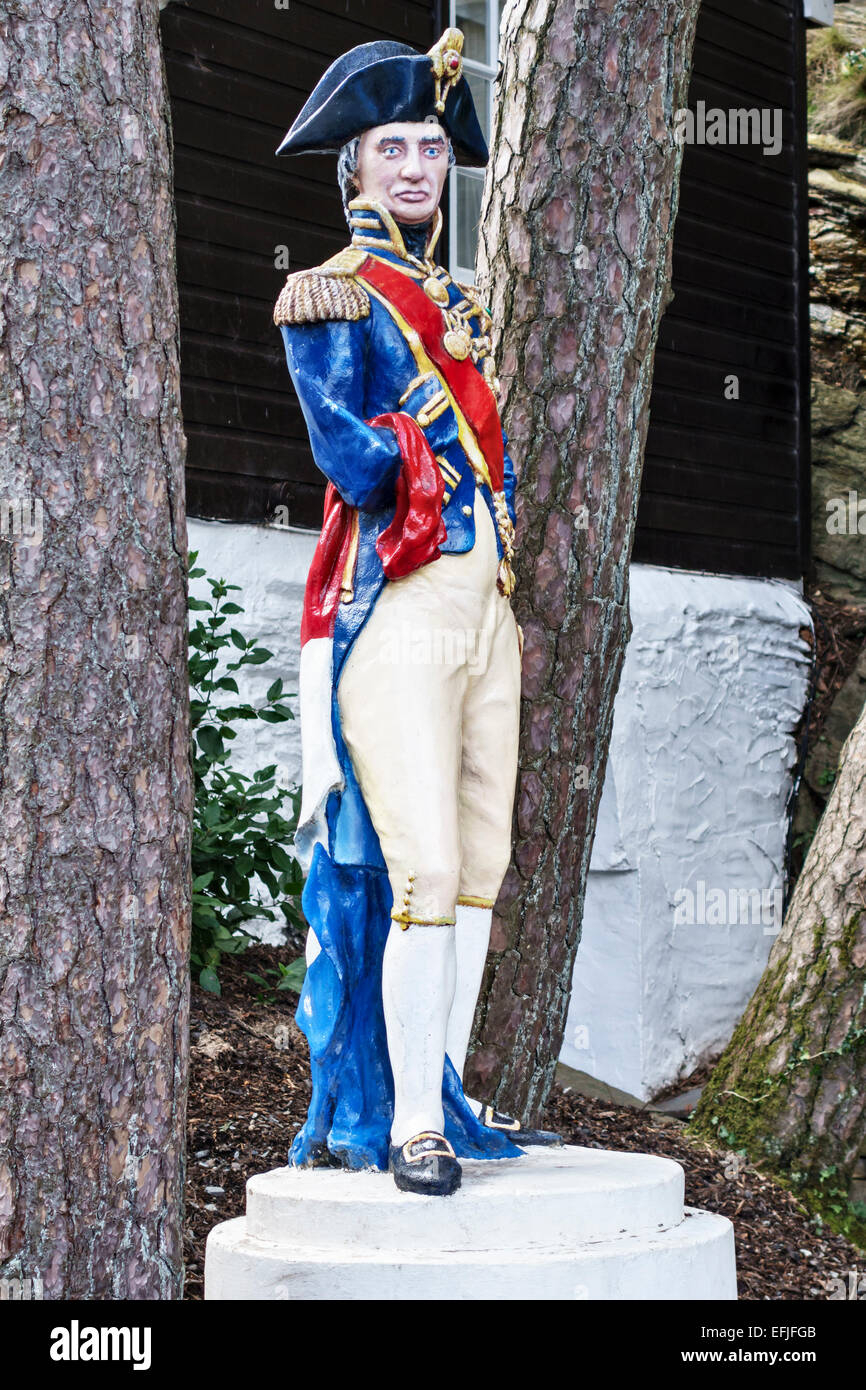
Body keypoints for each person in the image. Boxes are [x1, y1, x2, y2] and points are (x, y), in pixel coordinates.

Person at [275, 28, 559, 1197]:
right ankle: (404, 1132)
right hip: (399, 596)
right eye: (389, 147)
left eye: (430, 148)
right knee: (425, 866)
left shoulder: (459, 300)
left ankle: (438, 1085)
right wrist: (416, 454)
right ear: (352, 171)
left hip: (485, 601)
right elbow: (345, 456)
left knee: (484, 857)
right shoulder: (333, 291)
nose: (412, 166)